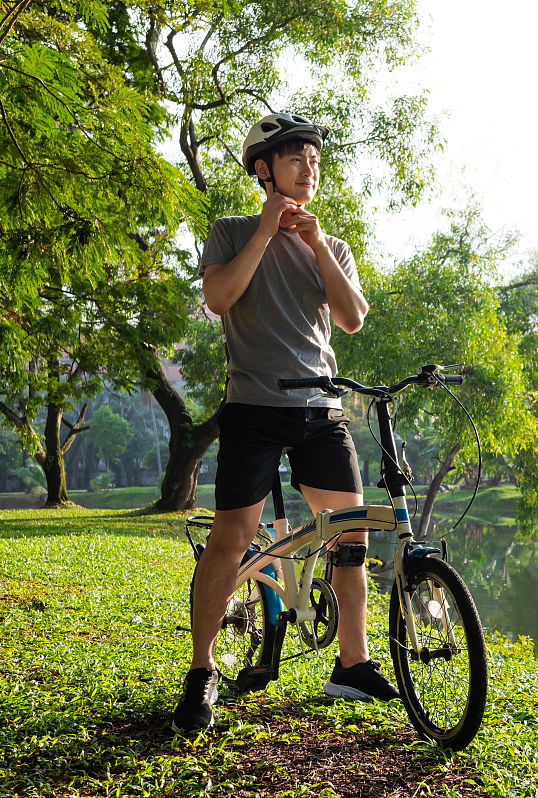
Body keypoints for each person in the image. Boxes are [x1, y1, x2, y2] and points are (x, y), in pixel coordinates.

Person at [171, 112, 397, 735]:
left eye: (316, 161)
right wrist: (269, 229)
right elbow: (219, 298)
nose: (310, 169)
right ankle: (203, 670)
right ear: (264, 169)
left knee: (352, 532)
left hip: (322, 411)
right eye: (298, 159)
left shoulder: (333, 244)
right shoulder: (230, 232)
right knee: (231, 537)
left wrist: (317, 244)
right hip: (253, 409)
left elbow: (352, 318)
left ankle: (352, 664)